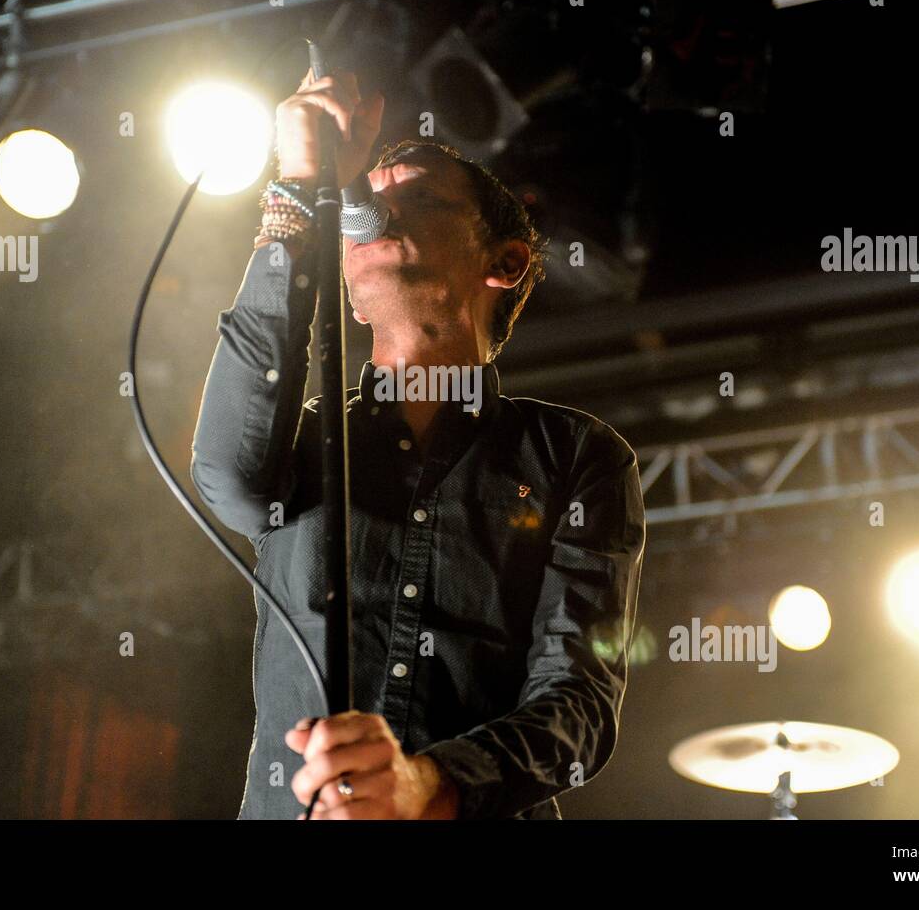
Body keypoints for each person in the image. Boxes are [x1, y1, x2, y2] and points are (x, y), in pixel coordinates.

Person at [190, 67, 646, 819]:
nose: (375, 211)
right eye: (368, 199)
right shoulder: (301, 443)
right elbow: (228, 476)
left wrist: (428, 784)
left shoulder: (576, 456)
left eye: (420, 198)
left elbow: (579, 706)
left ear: (504, 263)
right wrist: (300, 194)